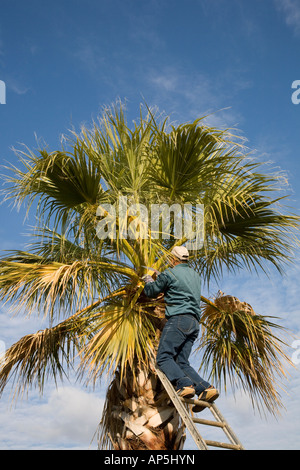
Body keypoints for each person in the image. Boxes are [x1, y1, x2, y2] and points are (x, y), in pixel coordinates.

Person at [143, 246, 219, 412]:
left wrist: (148, 280)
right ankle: (205, 388)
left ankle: (184, 384)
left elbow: (152, 291)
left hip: (178, 319)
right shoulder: (195, 276)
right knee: (181, 362)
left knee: (163, 358)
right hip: (194, 323)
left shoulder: (170, 273)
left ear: (172, 259)